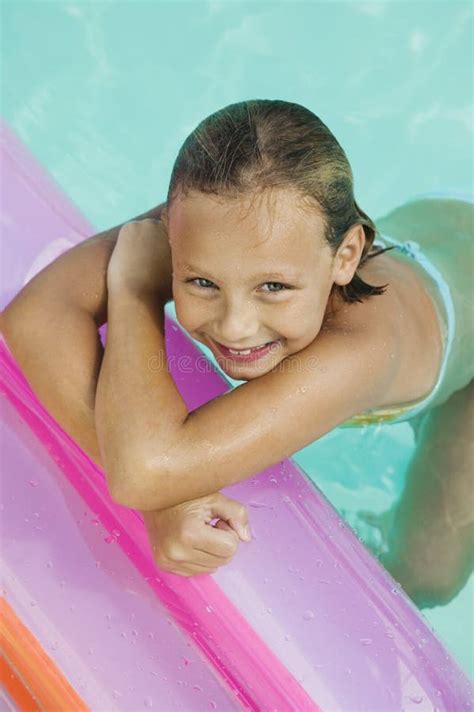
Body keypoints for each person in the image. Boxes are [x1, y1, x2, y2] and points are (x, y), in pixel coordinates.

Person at [2, 100, 473, 608]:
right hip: (442, 241)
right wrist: (165, 500)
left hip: (440, 325)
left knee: (426, 577)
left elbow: (145, 470)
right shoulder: (232, 219)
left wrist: (135, 288)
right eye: (202, 281)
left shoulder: (359, 350)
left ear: (346, 256)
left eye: (273, 286)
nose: (235, 327)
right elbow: (35, 316)